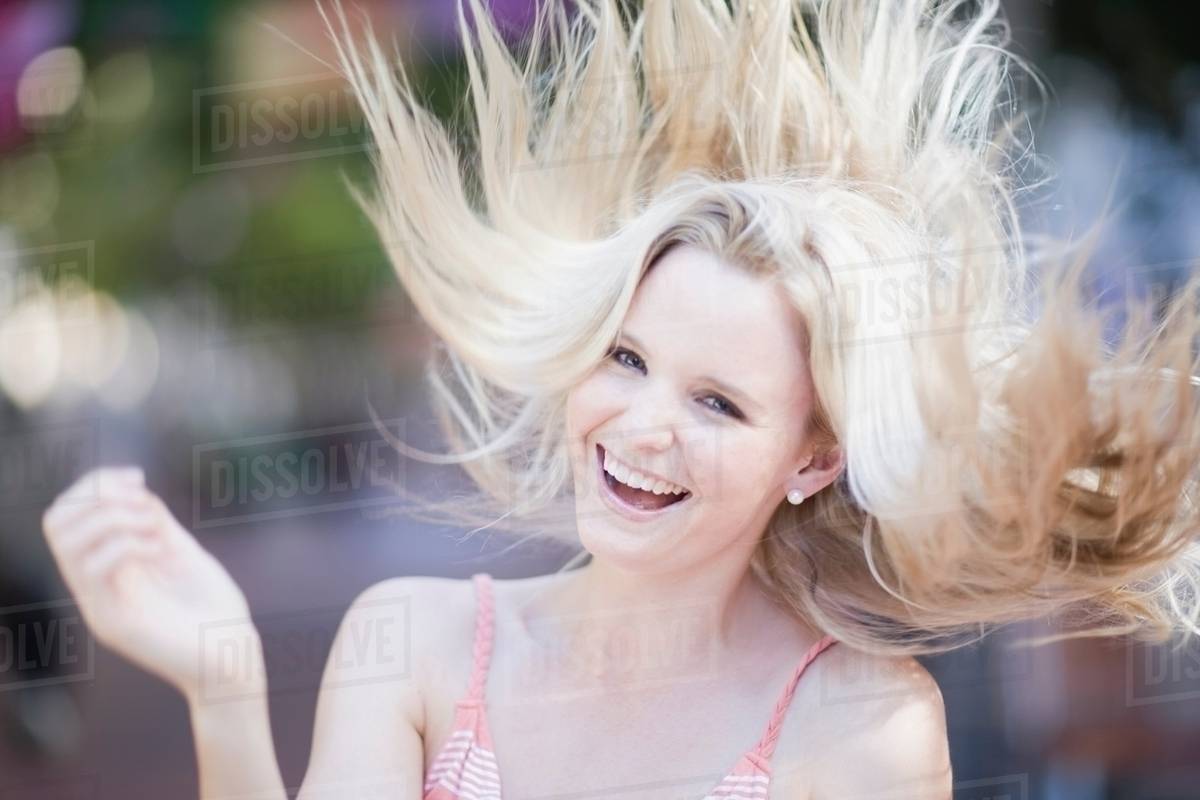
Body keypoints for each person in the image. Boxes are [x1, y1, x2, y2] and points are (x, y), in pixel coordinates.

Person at [40, 0, 1200, 798]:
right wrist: (223, 677)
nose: (647, 426)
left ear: (812, 457)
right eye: (630, 360)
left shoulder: (864, 724)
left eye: (721, 402)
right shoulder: (419, 646)